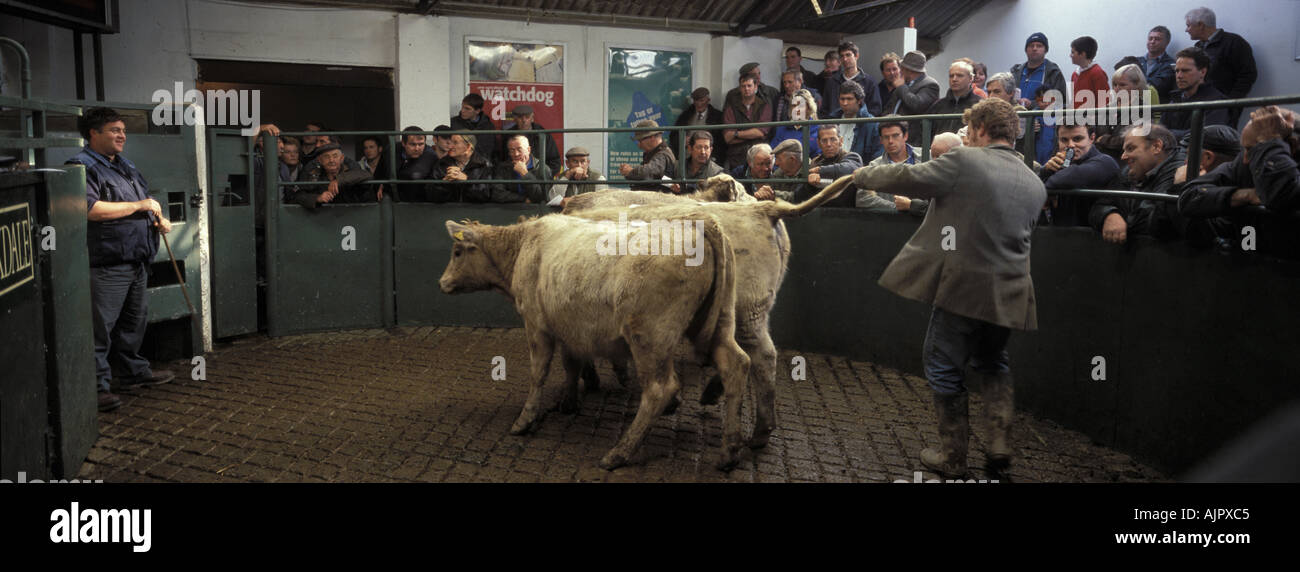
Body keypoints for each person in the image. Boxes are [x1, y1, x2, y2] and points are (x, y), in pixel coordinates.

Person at [851, 98, 1046, 477]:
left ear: (981, 130)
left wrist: (863, 177)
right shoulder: (1034, 181)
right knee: (993, 361)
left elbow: (909, 178)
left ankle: (953, 457)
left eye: (970, 131)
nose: (968, 138)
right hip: (1013, 291)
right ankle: (999, 446)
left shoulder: (966, 161)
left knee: (941, 364)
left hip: (966, 286)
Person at [67, 107, 176, 412]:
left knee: (132, 323)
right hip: (107, 263)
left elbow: (143, 203)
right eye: (114, 130)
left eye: (123, 130)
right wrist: (139, 205)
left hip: (136, 259)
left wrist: (157, 218)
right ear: (93, 133)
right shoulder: (82, 166)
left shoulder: (124, 165)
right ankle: (96, 388)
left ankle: (133, 372)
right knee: (100, 328)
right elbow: (89, 210)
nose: (121, 135)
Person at [1089, 124, 1187, 243]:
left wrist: (1125, 220)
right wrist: (1109, 215)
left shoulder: (1179, 172)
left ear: (1156, 146)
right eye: (1124, 150)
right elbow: (1099, 206)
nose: (1123, 156)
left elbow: (1155, 223)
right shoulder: (1129, 172)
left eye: (1130, 149)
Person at [1186, 6, 1257, 127]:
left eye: (1189, 25)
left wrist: (1229, 103)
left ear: (1201, 25)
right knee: (1196, 140)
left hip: (1224, 108)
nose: (1186, 30)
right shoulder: (1197, 47)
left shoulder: (1234, 43)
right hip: (1199, 106)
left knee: (1219, 142)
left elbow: (1248, 75)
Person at [1040, 124, 1122, 226]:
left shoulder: (1105, 163)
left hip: (1089, 237)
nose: (1071, 145)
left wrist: (1044, 189)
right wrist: (1046, 171)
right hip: (1062, 235)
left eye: (1077, 139)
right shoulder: (1059, 163)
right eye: (1064, 140)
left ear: (1092, 138)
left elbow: (1066, 178)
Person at [1161, 47, 1230, 139]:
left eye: (1185, 71)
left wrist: (1168, 134)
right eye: (1177, 71)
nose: (1179, 76)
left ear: (1202, 72)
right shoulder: (1175, 99)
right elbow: (1160, 131)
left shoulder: (1216, 102)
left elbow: (1207, 135)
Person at [857, 119, 920, 212]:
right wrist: (897, 207)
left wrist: (913, 206)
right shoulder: (874, 166)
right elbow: (862, 198)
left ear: (905, 136)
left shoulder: (926, 155)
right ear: (881, 140)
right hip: (892, 223)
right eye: (886, 137)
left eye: (895, 136)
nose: (890, 141)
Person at [792, 125, 863, 208]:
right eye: (824, 140)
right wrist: (809, 184)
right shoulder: (815, 162)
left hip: (846, 212)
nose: (829, 144)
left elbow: (850, 170)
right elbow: (798, 195)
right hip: (819, 213)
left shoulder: (852, 157)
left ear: (841, 141)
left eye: (833, 139)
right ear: (818, 143)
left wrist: (821, 171)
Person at [895, 132, 963, 217]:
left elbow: (948, 209)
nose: (934, 161)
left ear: (955, 154)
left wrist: (911, 205)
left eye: (939, 156)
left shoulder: (965, 176)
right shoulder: (936, 175)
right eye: (932, 155)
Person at [883, 50, 942, 146]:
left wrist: (902, 87)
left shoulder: (930, 85)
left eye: (902, 68)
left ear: (908, 70)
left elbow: (916, 104)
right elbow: (889, 107)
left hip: (914, 139)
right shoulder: (903, 84)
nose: (900, 71)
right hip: (892, 135)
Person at [288, 144, 375, 207]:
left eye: (335, 156)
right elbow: (298, 196)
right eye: (326, 157)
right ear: (320, 161)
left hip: (350, 218)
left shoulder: (351, 169)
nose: (331, 160)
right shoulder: (313, 174)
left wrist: (339, 180)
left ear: (341, 159)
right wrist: (317, 198)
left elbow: (366, 175)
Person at [723, 73, 774, 170]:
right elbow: (728, 137)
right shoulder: (731, 108)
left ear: (755, 87)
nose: (746, 89)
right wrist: (753, 135)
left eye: (749, 86)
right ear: (739, 88)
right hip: (737, 156)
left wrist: (736, 133)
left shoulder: (764, 106)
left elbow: (760, 132)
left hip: (760, 155)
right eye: (743, 86)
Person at [823, 41, 883, 118]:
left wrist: (863, 124)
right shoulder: (832, 82)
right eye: (842, 56)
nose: (845, 59)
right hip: (835, 127)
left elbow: (875, 110)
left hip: (860, 127)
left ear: (856, 56)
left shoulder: (869, 82)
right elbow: (824, 110)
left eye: (848, 55)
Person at [1011, 32, 1067, 111]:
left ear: (1045, 50)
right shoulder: (1015, 72)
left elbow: (1061, 102)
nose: (1034, 48)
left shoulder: (1053, 72)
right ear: (1026, 50)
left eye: (1039, 46)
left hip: (1042, 120)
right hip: (1016, 118)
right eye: (1031, 46)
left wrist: (1032, 104)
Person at [671, 87, 727, 165]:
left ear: (708, 100)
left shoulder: (717, 117)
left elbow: (721, 142)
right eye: (696, 101)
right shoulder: (685, 116)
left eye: (702, 101)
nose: (699, 104)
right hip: (687, 160)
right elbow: (674, 135)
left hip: (709, 160)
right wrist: (682, 140)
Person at [927, 60, 983, 136]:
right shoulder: (938, 105)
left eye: (959, 75)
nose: (954, 79)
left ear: (971, 78)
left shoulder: (980, 105)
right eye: (951, 76)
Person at [490, 134, 552, 203]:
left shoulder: (543, 169)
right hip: (510, 208)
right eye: (512, 150)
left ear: (528, 150)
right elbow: (497, 194)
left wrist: (525, 174)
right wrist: (523, 199)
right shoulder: (503, 167)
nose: (516, 154)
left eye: (519, 149)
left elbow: (542, 197)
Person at [829, 81, 881, 162]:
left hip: (860, 171)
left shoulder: (872, 124)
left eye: (849, 99)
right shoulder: (832, 120)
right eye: (842, 99)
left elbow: (877, 158)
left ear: (859, 100)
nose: (845, 103)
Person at [620, 119, 677, 192]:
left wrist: (631, 171)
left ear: (652, 137)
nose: (639, 145)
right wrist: (629, 172)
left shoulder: (663, 155)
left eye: (640, 141)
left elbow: (649, 172)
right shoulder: (654, 153)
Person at [504, 105, 561, 174]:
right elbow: (503, 160)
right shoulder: (508, 135)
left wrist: (544, 176)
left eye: (527, 117)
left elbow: (555, 162)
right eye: (520, 117)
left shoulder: (543, 135)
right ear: (515, 119)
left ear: (532, 118)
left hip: (539, 176)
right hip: (513, 176)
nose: (524, 120)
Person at [438, 133, 494, 202]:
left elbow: (485, 195)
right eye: (451, 142)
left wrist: (467, 180)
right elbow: (432, 196)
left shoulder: (484, 165)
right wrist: (444, 183)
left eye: (455, 142)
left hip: (474, 210)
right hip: (448, 210)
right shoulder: (442, 164)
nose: (450, 146)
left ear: (468, 147)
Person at [394, 126, 441, 202]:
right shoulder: (392, 150)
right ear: (403, 143)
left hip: (421, 201)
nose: (417, 148)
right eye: (412, 144)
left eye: (421, 144)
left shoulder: (430, 156)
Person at [771, 89, 822, 158]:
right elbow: (773, 153)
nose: (796, 109)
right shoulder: (782, 129)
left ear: (809, 108)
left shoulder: (818, 129)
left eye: (800, 105)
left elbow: (819, 156)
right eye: (794, 105)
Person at [450, 93, 498, 162]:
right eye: (462, 107)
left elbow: (490, 151)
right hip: (459, 162)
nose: (462, 111)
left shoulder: (488, 126)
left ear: (477, 111)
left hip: (481, 165)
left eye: (467, 109)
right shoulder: (453, 123)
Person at [1139, 25, 1177, 101]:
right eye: (1150, 38)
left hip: (1157, 109)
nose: (1152, 42)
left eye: (1157, 39)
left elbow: (1157, 86)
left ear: (1167, 42)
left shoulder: (1171, 64)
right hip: (1134, 107)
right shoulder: (1137, 61)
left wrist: (1133, 82)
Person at [1069, 36, 1108, 109]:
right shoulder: (1074, 74)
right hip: (1078, 118)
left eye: (1073, 52)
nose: (1070, 55)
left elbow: (1104, 101)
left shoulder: (1097, 73)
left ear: (1083, 54)